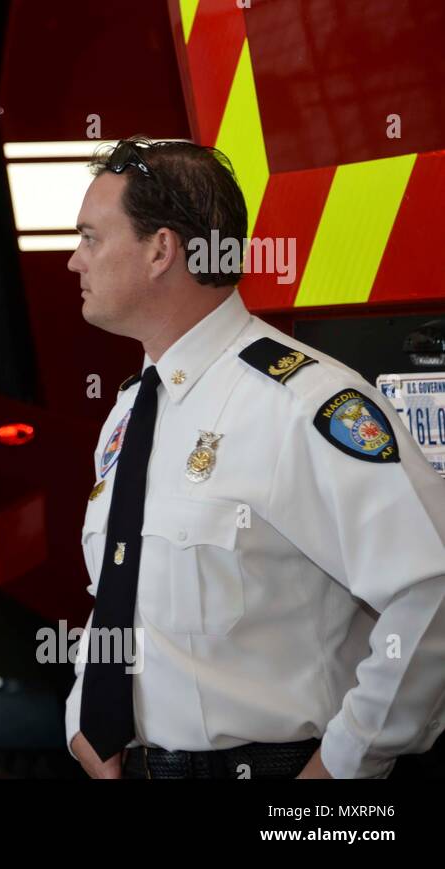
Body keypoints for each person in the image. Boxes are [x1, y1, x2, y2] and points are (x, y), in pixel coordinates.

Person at [62, 136, 445, 779]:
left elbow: (431, 591)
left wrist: (344, 767)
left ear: (161, 250)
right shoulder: (130, 411)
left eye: (91, 238)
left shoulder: (306, 405)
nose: (75, 261)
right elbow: (121, 592)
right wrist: (85, 719)